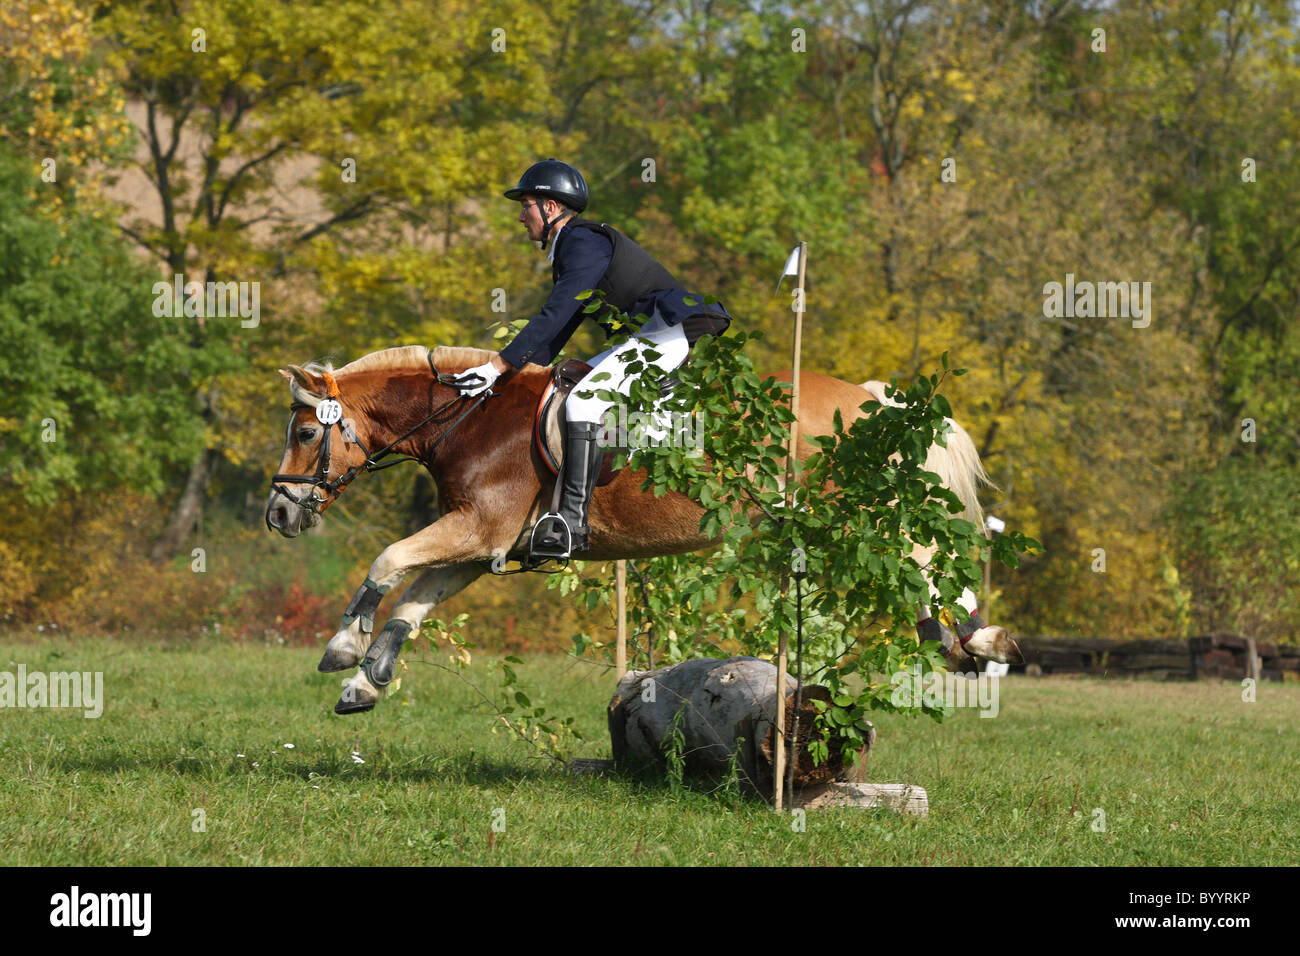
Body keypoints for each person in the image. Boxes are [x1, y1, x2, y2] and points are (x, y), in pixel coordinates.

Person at [452, 159, 731, 558]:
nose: (520, 217)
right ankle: (637, 442)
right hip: (651, 336)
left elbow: (556, 313)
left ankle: (571, 523)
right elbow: (562, 327)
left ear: (550, 208)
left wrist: (497, 365)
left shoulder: (583, 242)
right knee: (569, 390)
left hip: (664, 334)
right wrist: (516, 377)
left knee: (584, 400)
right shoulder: (573, 247)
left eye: (525, 205)